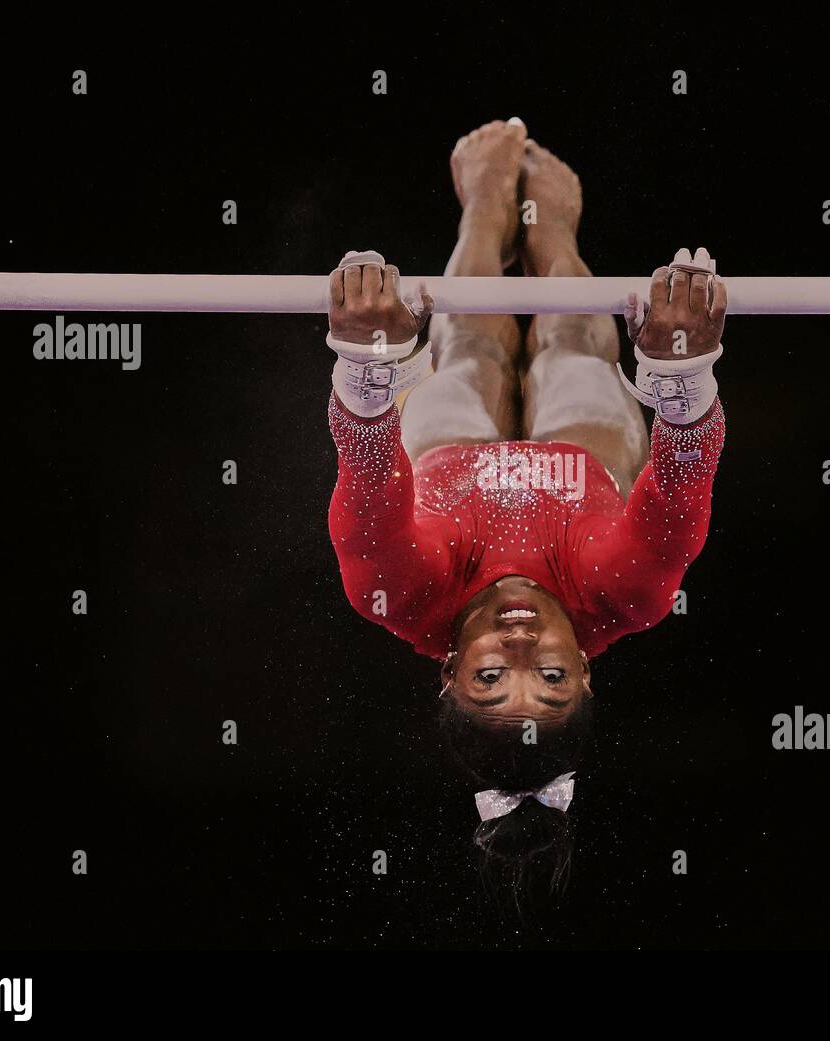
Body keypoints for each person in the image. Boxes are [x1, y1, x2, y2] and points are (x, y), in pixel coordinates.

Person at [323, 119, 728, 909]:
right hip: (584, 465)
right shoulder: (622, 594)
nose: (518, 643)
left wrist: (369, 371)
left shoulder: (400, 595)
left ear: (445, 674)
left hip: (451, 455)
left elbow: (367, 479)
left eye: (487, 677)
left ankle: (482, 208)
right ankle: (556, 233)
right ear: (585, 672)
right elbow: (680, 492)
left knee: (467, 352)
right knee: (575, 352)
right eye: (546, 676)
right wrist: (682, 377)